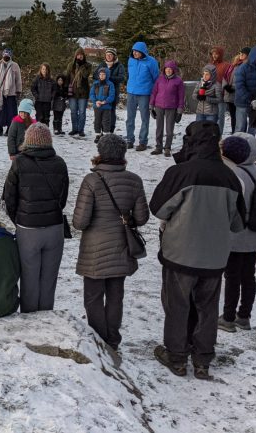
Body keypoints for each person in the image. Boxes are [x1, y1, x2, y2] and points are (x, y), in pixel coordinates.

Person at [150, 121, 244, 380]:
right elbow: (238, 223)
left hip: (179, 253)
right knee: (207, 308)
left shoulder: (180, 173)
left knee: (177, 305)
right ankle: (203, 360)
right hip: (214, 257)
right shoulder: (229, 177)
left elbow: (158, 208)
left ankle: (177, 356)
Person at [72, 134, 149, 350]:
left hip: (94, 250)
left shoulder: (92, 181)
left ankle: (98, 338)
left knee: (93, 296)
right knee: (116, 296)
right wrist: (126, 218)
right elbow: (142, 218)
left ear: (101, 154)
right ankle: (112, 339)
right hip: (122, 246)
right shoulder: (134, 180)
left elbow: (80, 222)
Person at [2, 122, 69, 313]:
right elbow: (63, 198)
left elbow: (9, 197)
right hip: (54, 227)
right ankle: (46, 318)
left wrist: (19, 219)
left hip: (28, 228)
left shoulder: (19, 163)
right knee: (49, 278)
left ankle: (30, 323)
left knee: (29, 277)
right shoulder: (60, 163)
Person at [217, 134, 256, 332]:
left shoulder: (233, 173)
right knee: (249, 275)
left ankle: (228, 317)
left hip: (237, 231)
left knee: (232, 275)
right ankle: (244, 315)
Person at [124, 41, 160, 151]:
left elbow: (156, 78)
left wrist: (154, 94)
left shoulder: (152, 62)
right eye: (133, 51)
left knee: (144, 118)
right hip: (131, 92)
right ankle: (130, 140)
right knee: (130, 118)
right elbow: (130, 74)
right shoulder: (131, 60)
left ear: (143, 52)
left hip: (144, 93)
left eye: (137, 51)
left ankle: (143, 142)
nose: (134, 53)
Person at [149, 60, 184, 157]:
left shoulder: (178, 81)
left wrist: (180, 110)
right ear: (164, 69)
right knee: (159, 128)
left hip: (171, 107)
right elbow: (154, 93)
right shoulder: (159, 79)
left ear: (174, 70)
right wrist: (151, 107)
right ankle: (158, 147)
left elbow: (181, 96)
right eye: (167, 69)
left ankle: (167, 147)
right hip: (159, 106)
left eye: (170, 69)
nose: (168, 70)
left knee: (169, 129)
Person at [233, 45, 256, 135]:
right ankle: (237, 146)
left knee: (253, 127)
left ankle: (250, 146)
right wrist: (250, 99)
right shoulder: (242, 68)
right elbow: (239, 86)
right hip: (242, 102)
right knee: (240, 127)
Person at [0, 49, 22, 136]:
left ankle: (9, 129)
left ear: (10, 56)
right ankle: (0, 128)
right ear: (2, 55)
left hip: (11, 93)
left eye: (8, 55)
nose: (6, 57)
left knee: (10, 113)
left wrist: (18, 91)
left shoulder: (15, 66)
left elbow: (18, 80)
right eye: (5, 55)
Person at [93, 48, 126, 127]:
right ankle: (101, 131)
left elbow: (121, 78)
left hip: (113, 92)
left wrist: (108, 78)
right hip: (101, 92)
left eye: (111, 55)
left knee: (111, 111)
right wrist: (101, 78)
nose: (109, 56)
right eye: (107, 55)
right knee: (100, 111)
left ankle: (110, 131)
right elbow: (94, 75)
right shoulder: (102, 64)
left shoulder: (119, 65)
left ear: (114, 56)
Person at [67, 48, 93, 138]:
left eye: (81, 54)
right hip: (73, 92)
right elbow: (67, 77)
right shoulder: (71, 65)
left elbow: (85, 75)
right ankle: (75, 129)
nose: (80, 56)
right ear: (75, 55)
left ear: (84, 56)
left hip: (83, 92)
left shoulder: (88, 65)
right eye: (78, 54)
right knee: (73, 112)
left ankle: (81, 130)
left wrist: (81, 66)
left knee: (82, 112)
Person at [222, 48, 249, 133]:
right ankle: (234, 133)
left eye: (242, 54)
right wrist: (226, 86)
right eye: (240, 53)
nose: (240, 55)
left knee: (241, 117)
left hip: (239, 94)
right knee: (233, 116)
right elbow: (225, 77)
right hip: (230, 95)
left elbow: (242, 81)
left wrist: (233, 87)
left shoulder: (246, 66)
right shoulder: (232, 66)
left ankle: (241, 134)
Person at [90, 67, 116, 144]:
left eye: (103, 74)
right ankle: (98, 135)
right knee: (97, 121)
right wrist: (95, 101)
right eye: (100, 74)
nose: (101, 76)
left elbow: (112, 95)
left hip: (106, 107)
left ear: (107, 75)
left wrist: (105, 102)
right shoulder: (95, 83)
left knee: (106, 121)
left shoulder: (110, 84)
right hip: (97, 106)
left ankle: (105, 136)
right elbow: (91, 94)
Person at [210, 47, 232, 135]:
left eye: (216, 53)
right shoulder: (210, 65)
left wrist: (225, 89)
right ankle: (211, 134)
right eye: (213, 53)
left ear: (220, 54)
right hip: (211, 94)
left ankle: (219, 135)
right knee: (211, 115)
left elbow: (228, 79)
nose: (214, 55)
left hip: (221, 95)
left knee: (220, 116)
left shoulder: (226, 65)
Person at [31, 63, 57, 127]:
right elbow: (33, 88)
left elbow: (55, 89)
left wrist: (52, 96)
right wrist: (36, 96)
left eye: (46, 69)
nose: (44, 70)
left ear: (48, 70)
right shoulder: (37, 79)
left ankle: (45, 133)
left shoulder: (51, 80)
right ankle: (38, 132)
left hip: (47, 101)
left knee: (46, 118)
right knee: (39, 117)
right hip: (39, 101)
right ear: (40, 70)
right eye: (43, 69)